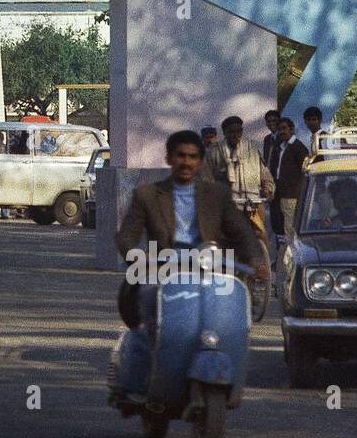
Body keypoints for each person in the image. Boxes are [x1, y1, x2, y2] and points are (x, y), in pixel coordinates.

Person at [115, 130, 264, 327]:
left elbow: (241, 231)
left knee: (234, 314)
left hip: (211, 270)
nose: (186, 162)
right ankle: (153, 350)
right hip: (164, 271)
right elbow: (127, 235)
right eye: (181, 156)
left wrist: (254, 258)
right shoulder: (147, 195)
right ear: (169, 158)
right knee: (149, 299)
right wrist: (138, 258)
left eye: (193, 157)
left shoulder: (217, 195)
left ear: (201, 162)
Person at [202, 116, 275, 279]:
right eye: (231, 132)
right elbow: (206, 177)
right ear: (225, 133)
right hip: (226, 205)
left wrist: (268, 188)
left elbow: (264, 173)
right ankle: (223, 277)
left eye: (238, 131)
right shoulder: (214, 151)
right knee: (222, 241)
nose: (236, 135)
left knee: (260, 236)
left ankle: (259, 276)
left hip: (252, 203)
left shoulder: (251, 148)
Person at [268, 117, 308, 241]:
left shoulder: (297, 146)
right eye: (279, 129)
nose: (282, 132)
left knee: (290, 227)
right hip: (281, 192)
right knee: (283, 226)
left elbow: (305, 170)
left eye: (284, 128)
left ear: (291, 129)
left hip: (292, 193)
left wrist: (298, 189)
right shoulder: (281, 146)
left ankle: (291, 256)